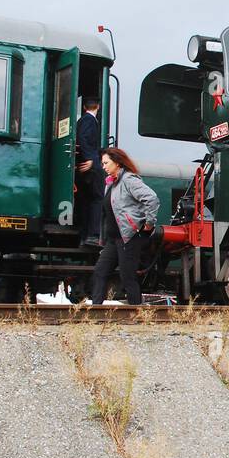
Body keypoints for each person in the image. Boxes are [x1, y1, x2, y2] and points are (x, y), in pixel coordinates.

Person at [88, 147, 160, 305]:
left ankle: (135, 313)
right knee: (100, 271)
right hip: (113, 239)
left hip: (129, 237)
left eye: (106, 163)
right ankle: (95, 311)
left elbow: (151, 198)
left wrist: (148, 223)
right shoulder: (111, 184)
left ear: (118, 163)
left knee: (127, 276)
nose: (104, 166)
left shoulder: (128, 180)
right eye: (102, 163)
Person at [75, 97, 103, 246]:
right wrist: (91, 159)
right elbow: (83, 138)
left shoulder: (82, 120)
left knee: (86, 200)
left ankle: (84, 236)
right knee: (97, 198)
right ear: (98, 106)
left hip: (86, 164)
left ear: (85, 107)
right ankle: (93, 235)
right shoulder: (89, 120)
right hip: (91, 165)